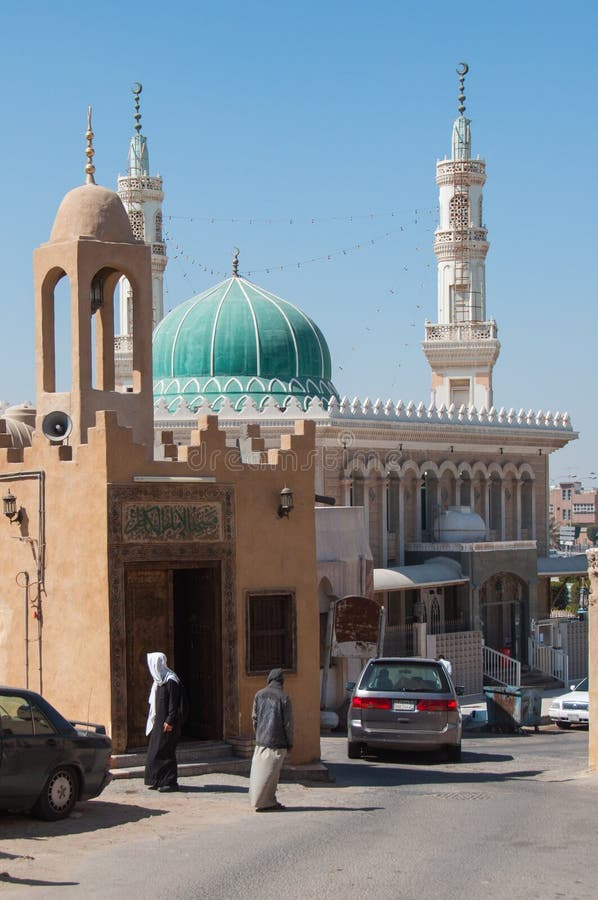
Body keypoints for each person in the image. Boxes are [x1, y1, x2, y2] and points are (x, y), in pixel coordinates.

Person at [248, 668, 294, 812]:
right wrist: (290, 743)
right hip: (277, 743)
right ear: (282, 681)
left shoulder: (258, 695)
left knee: (260, 774)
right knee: (272, 775)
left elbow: (254, 719)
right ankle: (267, 802)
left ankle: (264, 801)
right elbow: (288, 725)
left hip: (261, 741)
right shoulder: (284, 698)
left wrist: (259, 735)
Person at [144, 651, 182, 793]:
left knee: (166, 752)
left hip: (167, 724)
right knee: (155, 751)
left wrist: (170, 720)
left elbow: (174, 703)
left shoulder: (171, 680)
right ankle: (157, 779)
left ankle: (170, 782)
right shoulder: (159, 681)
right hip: (159, 722)